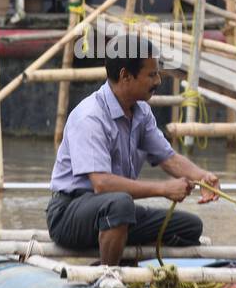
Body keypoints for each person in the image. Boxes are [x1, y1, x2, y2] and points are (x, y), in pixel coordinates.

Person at [46, 38, 220, 265]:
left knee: (190, 226)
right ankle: (109, 277)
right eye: (151, 75)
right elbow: (102, 184)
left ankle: (125, 259)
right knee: (120, 204)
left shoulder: (142, 112)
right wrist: (163, 189)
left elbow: (169, 159)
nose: (158, 81)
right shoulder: (90, 116)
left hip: (113, 211)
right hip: (69, 214)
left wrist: (203, 178)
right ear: (125, 76)